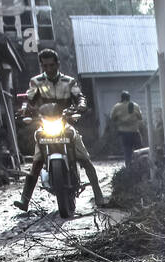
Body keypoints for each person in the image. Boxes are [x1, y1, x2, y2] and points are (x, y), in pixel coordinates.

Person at [14, 48, 105, 211]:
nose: (48, 69)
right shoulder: (36, 82)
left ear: (57, 64)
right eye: (45, 66)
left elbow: (79, 96)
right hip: (45, 125)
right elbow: (29, 99)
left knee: (84, 158)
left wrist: (81, 105)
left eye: (51, 65)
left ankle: (99, 195)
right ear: (41, 66)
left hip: (65, 123)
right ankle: (25, 200)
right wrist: (24, 109)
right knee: (36, 162)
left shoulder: (69, 82)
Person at [109, 91, 144, 167]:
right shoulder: (135, 105)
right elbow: (140, 117)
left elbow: (112, 118)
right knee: (139, 150)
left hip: (123, 132)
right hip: (135, 131)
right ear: (129, 98)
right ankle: (140, 166)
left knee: (127, 151)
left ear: (121, 98)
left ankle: (128, 168)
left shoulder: (117, 106)